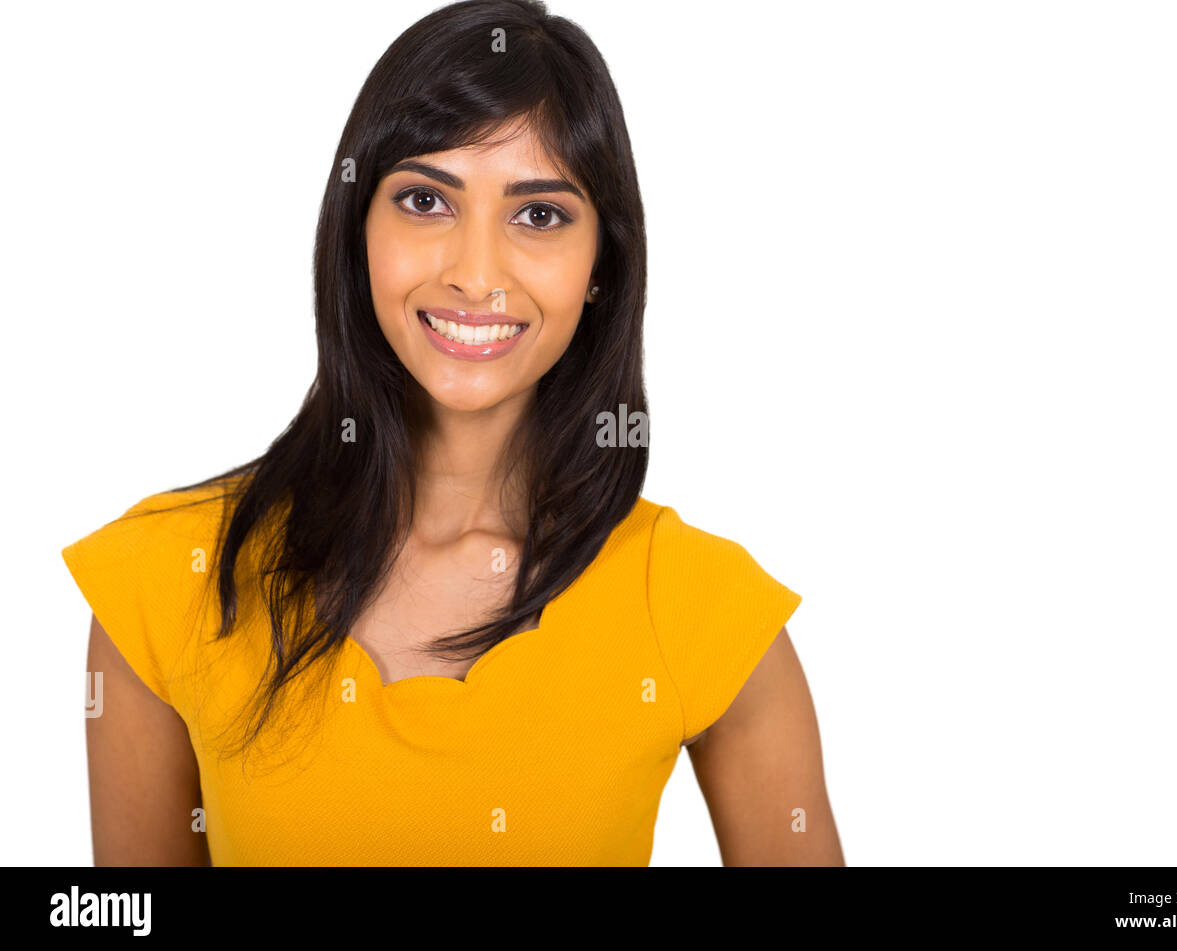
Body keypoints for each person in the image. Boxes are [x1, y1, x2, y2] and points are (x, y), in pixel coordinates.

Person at [63, 0, 843, 866]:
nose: (476, 275)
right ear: (357, 231)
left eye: (538, 214)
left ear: (601, 268)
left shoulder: (704, 609)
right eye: (426, 200)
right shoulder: (167, 581)